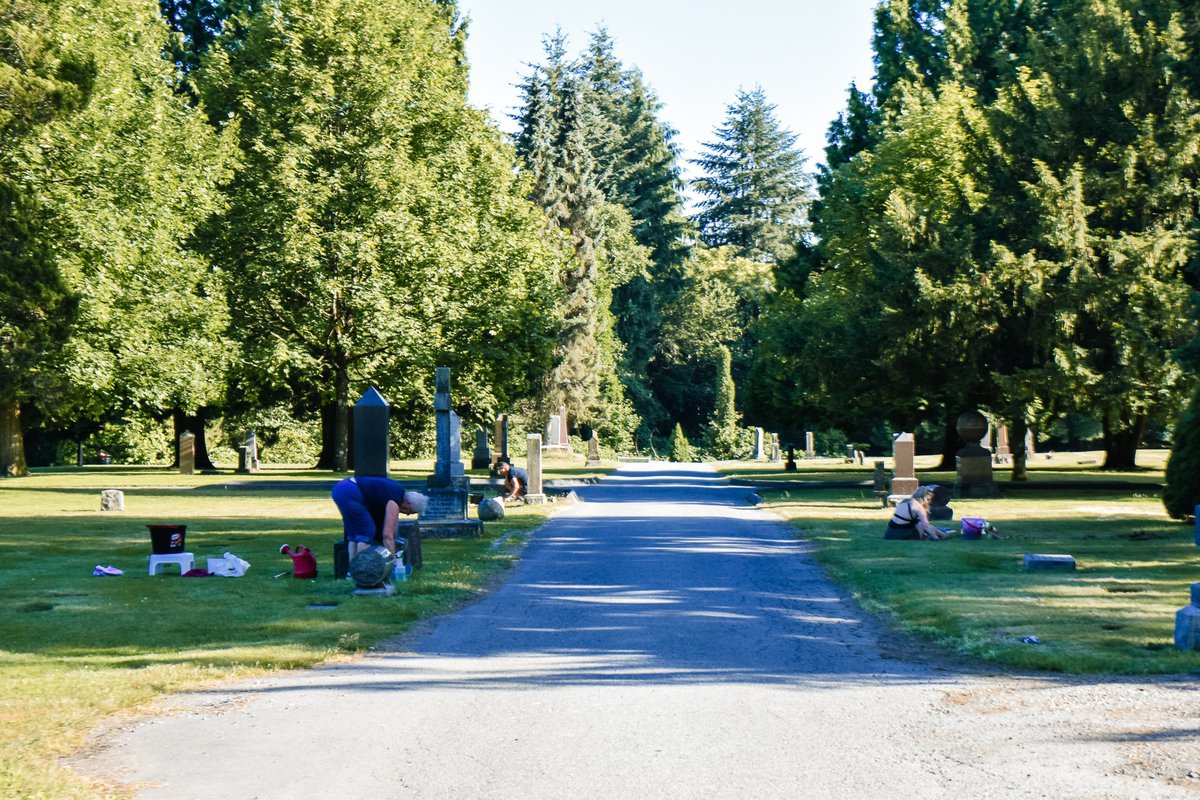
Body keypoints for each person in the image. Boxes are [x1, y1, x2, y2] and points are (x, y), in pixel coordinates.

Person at [331, 476, 427, 561]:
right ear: (407, 504)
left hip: (342, 487)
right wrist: (392, 560)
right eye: (410, 512)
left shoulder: (396, 491)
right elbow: (387, 535)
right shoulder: (395, 500)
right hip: (350, 492)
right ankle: (361, 570)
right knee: (367, 532)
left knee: (354, 535)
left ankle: (352, 572)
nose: (406, 514)